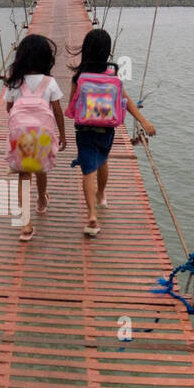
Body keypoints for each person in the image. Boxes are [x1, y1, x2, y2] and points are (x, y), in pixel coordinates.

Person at [66, 28, 155, 237]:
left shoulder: (78, 76)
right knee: (103, 161)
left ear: (85, 50)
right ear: (108, 52)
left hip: (85, 130)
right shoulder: (114, 76)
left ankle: (91, 215)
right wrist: (144, 122)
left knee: (88, 169)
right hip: (106, 129)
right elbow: (128, 101)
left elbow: (71, 103)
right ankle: (102, 194)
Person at [4, 33, 67, 241]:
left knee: (23, 175)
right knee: (41, 167)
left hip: (21, 135)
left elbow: (9, 108)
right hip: (42, 136)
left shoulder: (14, 82)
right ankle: (41, 200)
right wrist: (63, 136)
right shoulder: (49, 82)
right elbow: (57, 111)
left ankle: (25, 225)